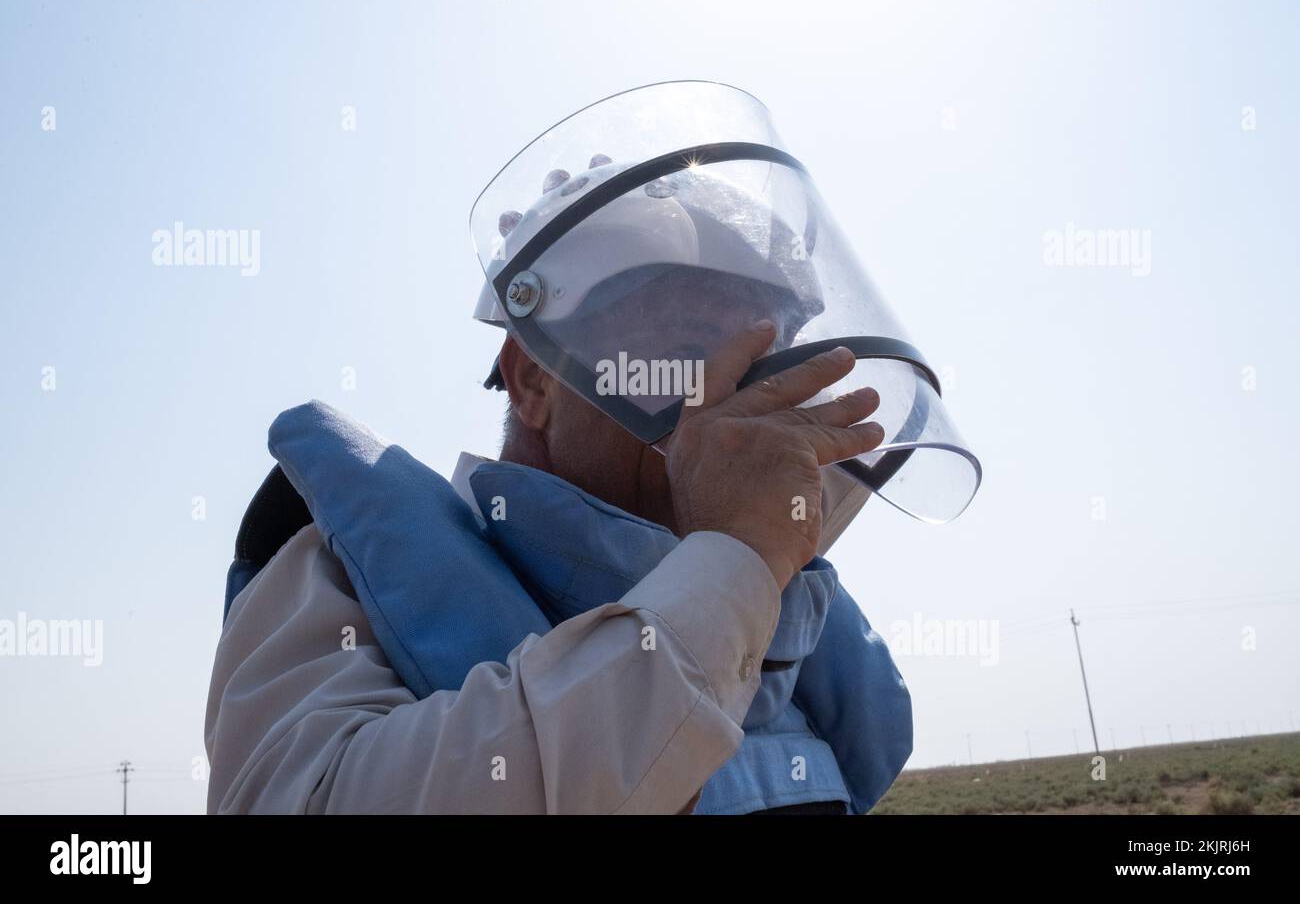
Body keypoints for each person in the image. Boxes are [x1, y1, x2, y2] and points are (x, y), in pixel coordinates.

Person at [204, 81, 973, 814]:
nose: (742, 410)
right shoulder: (334, 578)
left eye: (770, 371)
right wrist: (729, 567)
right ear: (535, 384)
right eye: (689, 359)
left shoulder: (784, 616)